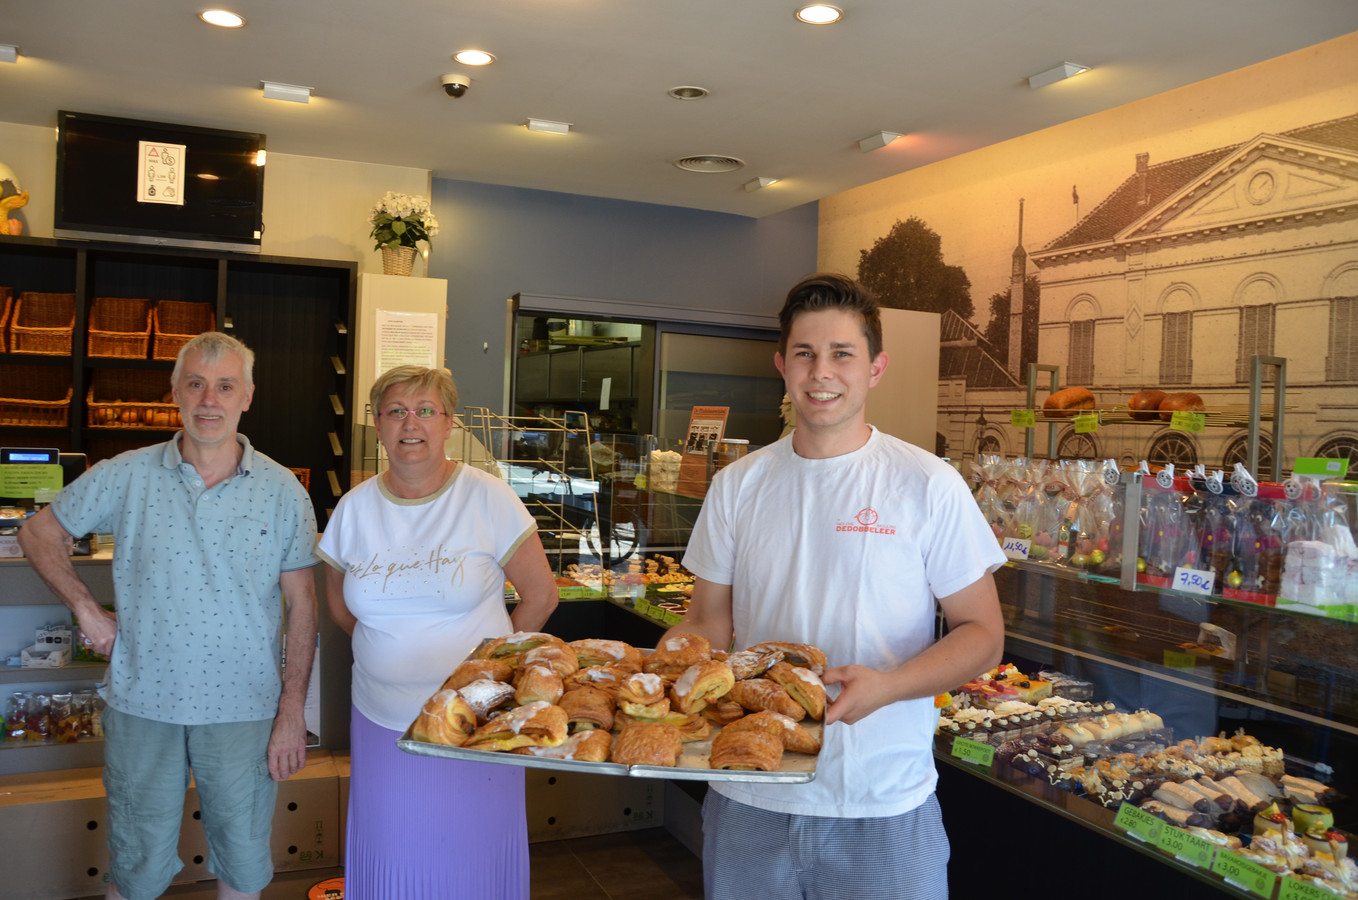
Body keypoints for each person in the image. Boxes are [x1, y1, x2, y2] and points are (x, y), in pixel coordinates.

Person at [663, 273, 1007, 900]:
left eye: (842, 354)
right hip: (749, 786)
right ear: (782, 366)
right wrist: (667, 663)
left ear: (875, 368)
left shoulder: (926, 484)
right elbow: (708, 622)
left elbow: (983, 634)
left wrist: (890, 687)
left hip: (882, 800)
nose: (822, 372)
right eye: (805, 353)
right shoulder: (737, 485)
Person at [18, 331, 319, 900]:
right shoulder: (126, 473)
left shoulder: (283, 491)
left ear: (247, 396)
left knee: (243, 862)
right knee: (136, 866)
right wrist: (87, 608)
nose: (210, 399)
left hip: (244, 708)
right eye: (196, 385)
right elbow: (38, 533)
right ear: (175, 393)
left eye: (225, 386)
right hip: (143, 704)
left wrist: (290, 710)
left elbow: (303, 607)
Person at [316, 365, 559, 899]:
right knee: (393, 848)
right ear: (377, 425)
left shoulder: (489, 498)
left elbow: (541, 596)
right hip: (383, 720)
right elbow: (338, 602)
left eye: (426, 410)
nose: (411, 423)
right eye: (396, 411)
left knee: (470, 852)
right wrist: (391, 650)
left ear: (449, 423)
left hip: (477, 724)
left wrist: (486, 673)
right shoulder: (355, 508)